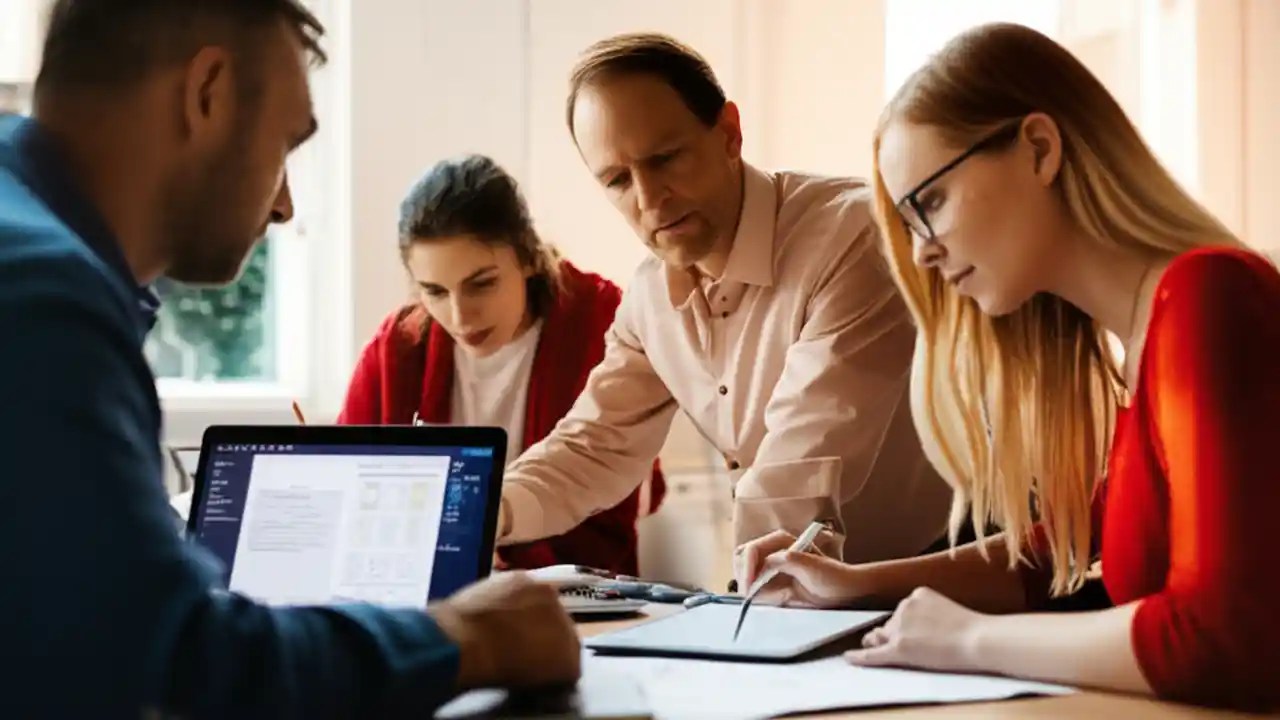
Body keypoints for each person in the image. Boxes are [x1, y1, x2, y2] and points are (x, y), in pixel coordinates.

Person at [0, 2, 578, 717]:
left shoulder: (29, 244)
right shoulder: (38, 296)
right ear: (206, 94)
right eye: (285, 144)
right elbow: (174, 665)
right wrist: (471, 638)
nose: (285, 206)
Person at [735, 23, 1280, 711]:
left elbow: (1222, 636)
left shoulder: (1208, 295)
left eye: (928, 202)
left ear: (1040, 150)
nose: (924, 255)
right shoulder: (1147, 341)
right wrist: (852, 581)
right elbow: (1058, 550)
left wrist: (967, 642)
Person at [496, 33, 953, 567]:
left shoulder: (852, 236)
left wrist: (740, 600)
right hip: (804, 584)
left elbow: (804, 459)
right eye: (618, 180)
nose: (648, 199)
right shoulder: (650, 298)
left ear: (729, 133)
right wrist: (481, 516)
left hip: (940, 571)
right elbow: (592, 448)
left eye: (665, 159)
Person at [339, 154, 665, 575]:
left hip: (568, 599)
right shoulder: (397, 349)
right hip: (425, 594)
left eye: (482, 284)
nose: (460, 317)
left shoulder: (602, 321)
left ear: (529, 256)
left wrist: (487, 547)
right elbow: (354, 493)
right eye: (434, 292)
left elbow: (612, 493)